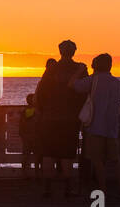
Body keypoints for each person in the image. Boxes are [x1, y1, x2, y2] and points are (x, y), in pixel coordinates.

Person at [36, 41, 87, 197]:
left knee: (48, 154)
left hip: (49, 119)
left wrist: (43, 113)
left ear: (60, 51)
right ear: (74, 51)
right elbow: (84, 94)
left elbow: (40, 94)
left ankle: (47, 189)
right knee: (67, 155)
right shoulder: (80, 69)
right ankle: (68, 189)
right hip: (70, 120)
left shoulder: (51, 70)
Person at [70, 53, 120, 196]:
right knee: (115, 159)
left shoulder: (94, 80)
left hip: (95, 126)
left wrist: (79, 70)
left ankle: (103, 188)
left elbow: (73, 85)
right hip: (112, 126)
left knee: (97, 159)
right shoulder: (117, 83)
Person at [19, 93, 39, 178]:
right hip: (33, 136)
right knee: (37, 155)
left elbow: (21, 124)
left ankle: (24, 173)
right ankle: (36, 173)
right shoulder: (34, 111)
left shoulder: (25, 110)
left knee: (26, 155)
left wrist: (22, 133)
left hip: (26, 136)